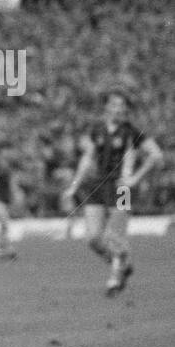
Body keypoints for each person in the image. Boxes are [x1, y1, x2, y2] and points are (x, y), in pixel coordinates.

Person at [61, 90, 163, 296]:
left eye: (122, 105)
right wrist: (73, 185)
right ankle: (121, 263)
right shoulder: (96, 130)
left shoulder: (131, 132)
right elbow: (87, 159)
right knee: (93, 238)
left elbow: (156, 155)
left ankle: (115, 278)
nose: (119, 109)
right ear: (106, 107)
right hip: (96, 186)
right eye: (115, 104)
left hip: (122, 188)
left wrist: (135, 178)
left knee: (114, 234)